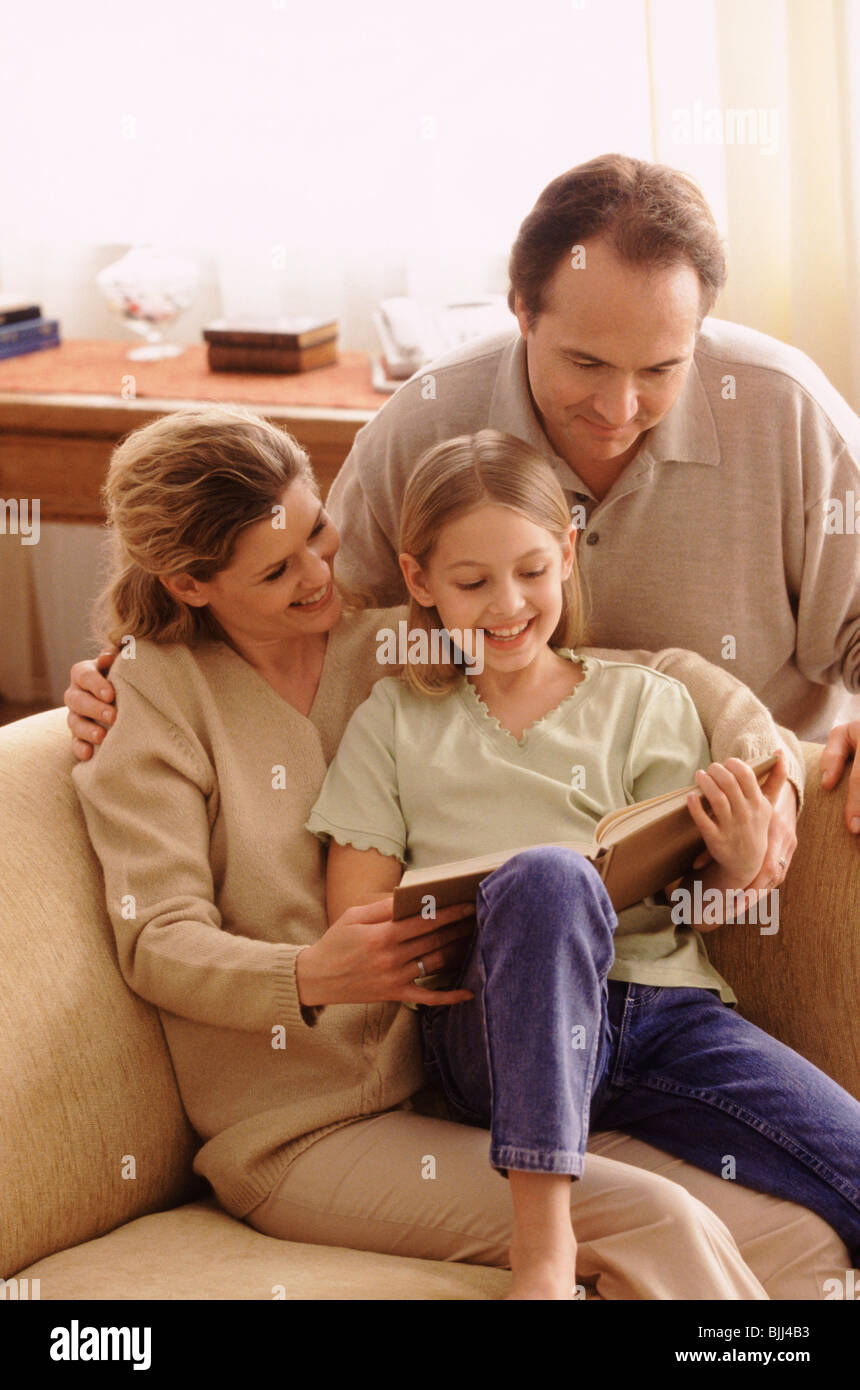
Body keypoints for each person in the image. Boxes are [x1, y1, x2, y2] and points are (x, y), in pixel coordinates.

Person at [68, 402, 834, 1301]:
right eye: (279, 571)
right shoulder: (144, 706)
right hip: (303, 1132)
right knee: (656, 1218)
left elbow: (633, 670)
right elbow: (154, 939)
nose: (322, 576)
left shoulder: (387, 644)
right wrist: (310, 975)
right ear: (192, 586)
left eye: (319, 532)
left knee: (802, 1246)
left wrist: (774, 769)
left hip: (456, 1087)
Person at [304, 429, 860, 1300]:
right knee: (550, 878)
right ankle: (545, 1248)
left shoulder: (645, 701)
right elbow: (362, 921)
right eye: (471, 582)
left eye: (532, 570)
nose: (508, 604)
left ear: (567, 550)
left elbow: (689, 910)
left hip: (659, 1013)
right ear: (419, 582)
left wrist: (741, 865)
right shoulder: (393, 722)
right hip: (492, 1031)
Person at [319, 153, 860, 847]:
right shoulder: (424, 422)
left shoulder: (789, 411)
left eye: (662, 368)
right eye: (586, 363)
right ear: (521, 310)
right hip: (490, 836)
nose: (619, 408)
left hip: (752, 821)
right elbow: (322, 620)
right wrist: (141, 662)